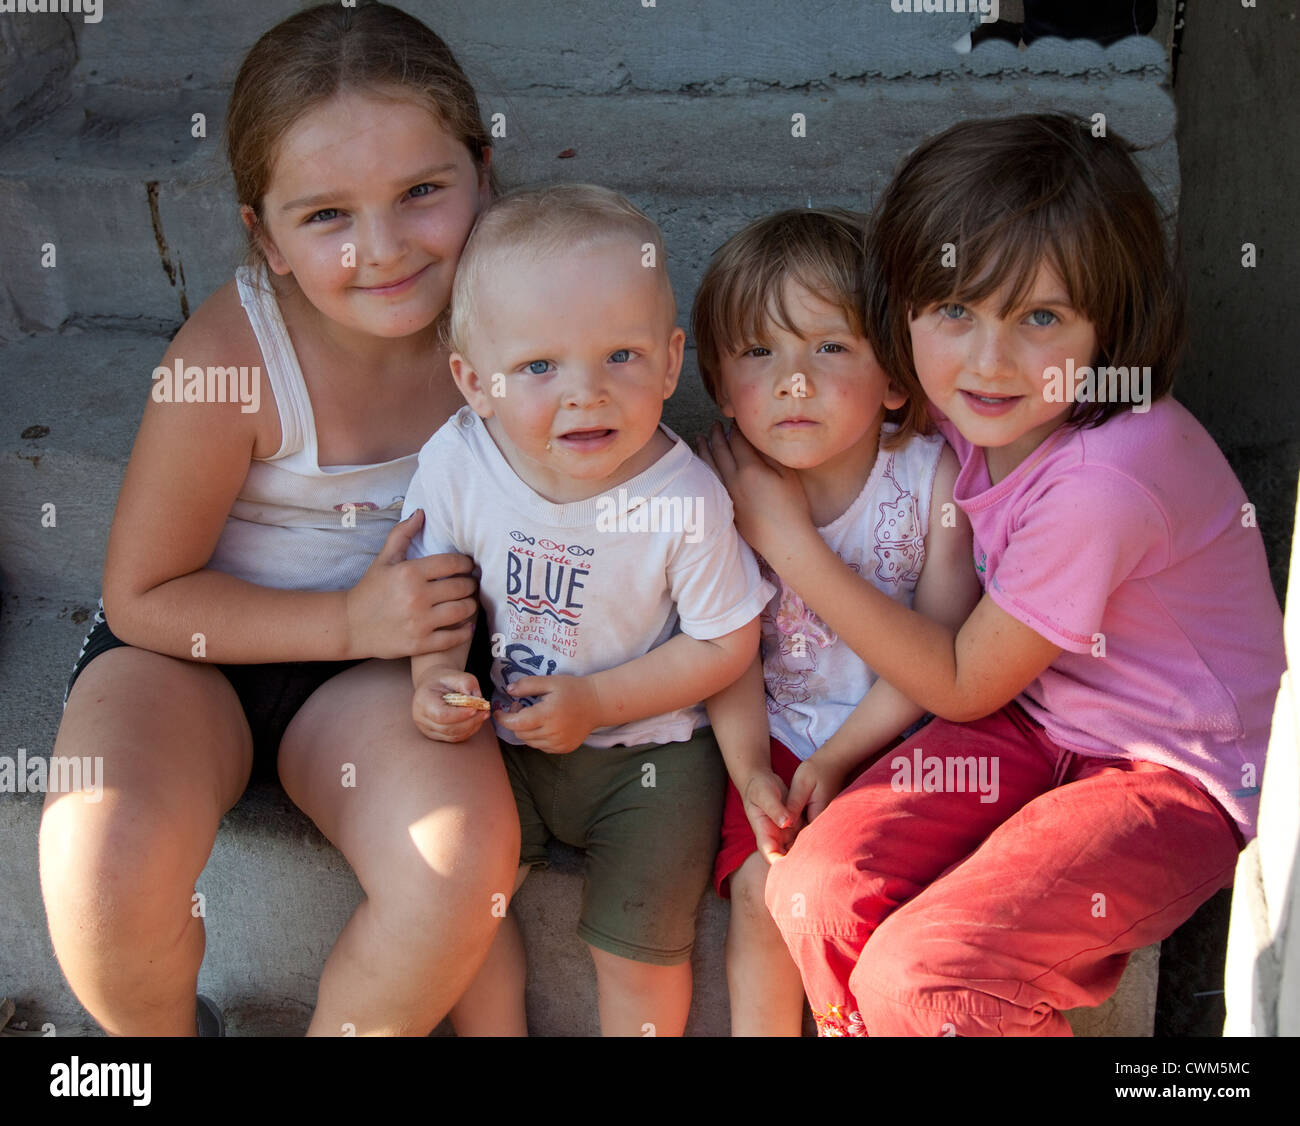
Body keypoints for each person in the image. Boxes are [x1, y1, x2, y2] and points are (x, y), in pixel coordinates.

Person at [701, 113, 1287, 1036]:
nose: (988, 361)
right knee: (811, 889)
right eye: (954, 312)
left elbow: (965, 682)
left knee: (926, 977)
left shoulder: (1105, 478)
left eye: (1041, 318)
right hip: (1036, 721)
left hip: (1164, 769)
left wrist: (786, 540)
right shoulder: (981, 414)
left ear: (1115, 327)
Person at [38, 2, 519, 1037]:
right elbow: (144, 594)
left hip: (377, 675)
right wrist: (349, 620)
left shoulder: (521, 311)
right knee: (97, 866)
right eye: (326, 215)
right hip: (186, 651)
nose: (383, 248)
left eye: (423, 192)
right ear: (266, 235)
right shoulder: (232, 357)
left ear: (483, 170)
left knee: (455, 870)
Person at [402, 184, 773, 1036]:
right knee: (464, 909)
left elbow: (726, 642)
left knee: (637, 949)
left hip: (651, 759)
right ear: (474, 381)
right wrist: (432, 679)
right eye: (539, 366)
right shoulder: (460, 464)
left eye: (622, 357)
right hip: (507, 742)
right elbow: (436, 589)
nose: (587, 394)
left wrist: (601, 703)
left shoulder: (684, 499)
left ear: (673, 363)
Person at [690, 208, 981, 1035]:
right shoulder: (714, 496)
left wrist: (848, 753)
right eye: (759, 351)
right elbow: (728, 655)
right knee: (760, 888)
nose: (793, 379)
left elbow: (945, 653)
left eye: (829, 347)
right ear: (719, 384)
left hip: (908, 736)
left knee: (867, 897)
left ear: (895, 379)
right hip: (777, 733)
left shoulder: (932, 482)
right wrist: (750, 772)